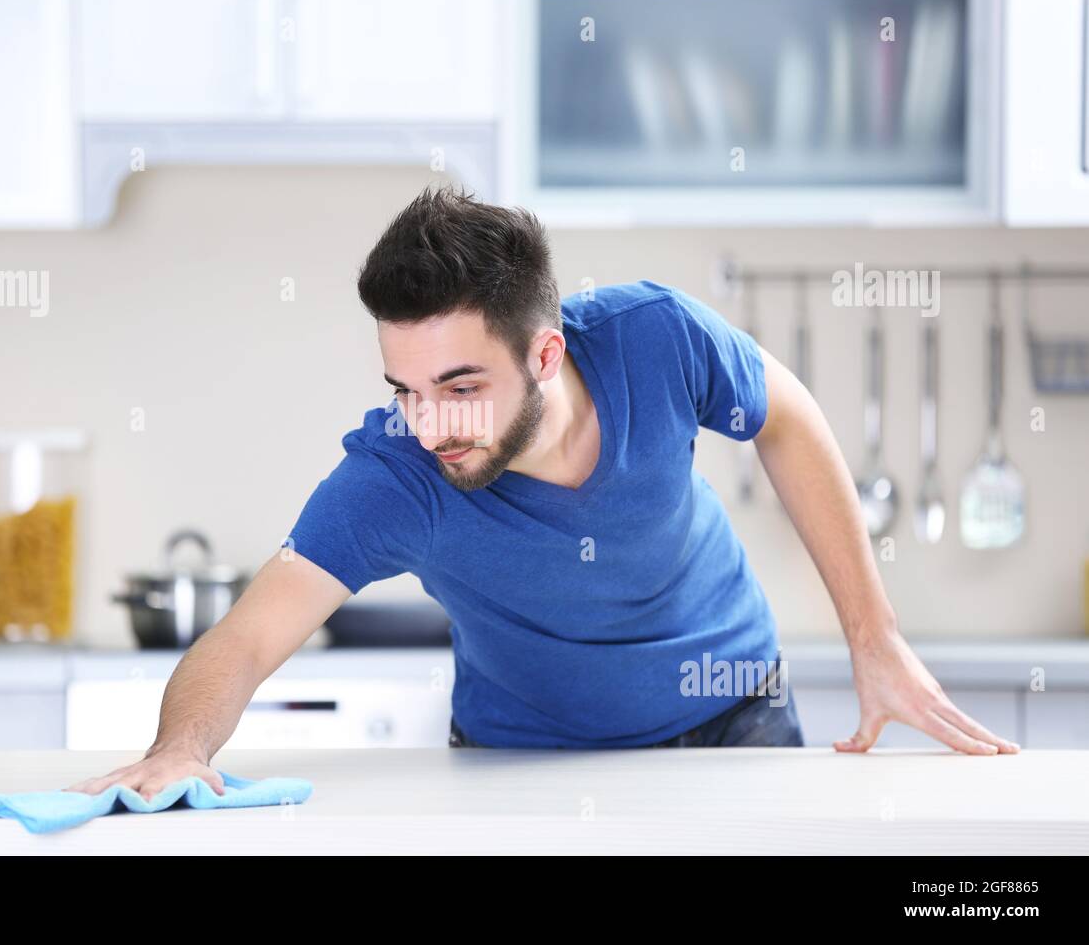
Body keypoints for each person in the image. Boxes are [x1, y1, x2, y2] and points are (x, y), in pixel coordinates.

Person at [68, 185, 1018, 800]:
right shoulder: (395, 476)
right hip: (522, 760)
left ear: (546, 352)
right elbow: (244, 637)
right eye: (405, 389)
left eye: (461, 388)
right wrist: (180, 747)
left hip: (737, 711)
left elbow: (788, 418)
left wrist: (875, 638)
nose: (429, 422)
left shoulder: (657, 337)